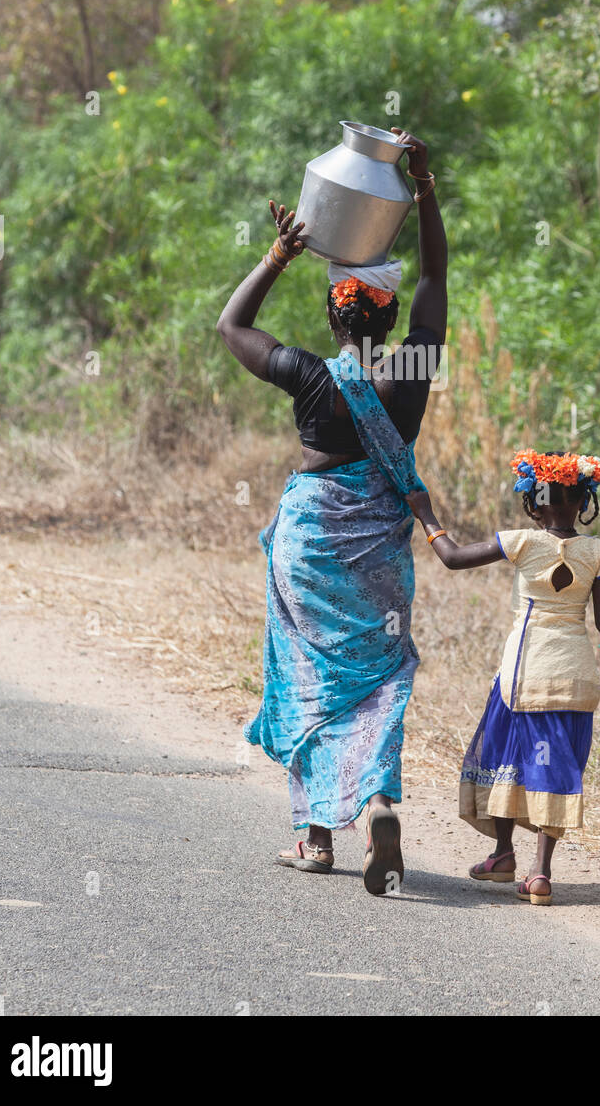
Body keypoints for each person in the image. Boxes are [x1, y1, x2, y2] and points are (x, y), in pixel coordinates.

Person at [216, 127, 446, 895]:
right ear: (386, 324)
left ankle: (317, 840)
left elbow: (232, 328)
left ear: (334, 318)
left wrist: (279, 254)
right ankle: (378, 800)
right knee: (377, 677)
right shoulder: (408, 376)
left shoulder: (311, 377)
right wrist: (424, 192)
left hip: (311, 543)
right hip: (375, 550)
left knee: (313, 673)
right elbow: (435, 292)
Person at [406, 450, 600, 906]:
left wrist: (425, 513)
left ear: (533, 505)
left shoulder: (520, 542)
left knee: (506, 758)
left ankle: (502, 851)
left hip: (523, 675)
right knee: (556, 766)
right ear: (583, 503)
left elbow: (452, 558)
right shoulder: (598, 553)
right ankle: (539, 872)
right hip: (575, 679)